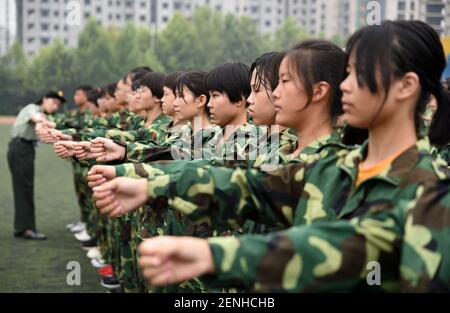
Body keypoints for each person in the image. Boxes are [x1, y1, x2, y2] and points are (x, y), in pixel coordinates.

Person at [93, 21, 450, 292]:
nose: (346, 86)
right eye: (347, 73)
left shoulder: (431, 192)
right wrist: (152, 182)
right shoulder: (335, 167)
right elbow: (248, 182)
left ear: (407, 86)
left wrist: (215, 256)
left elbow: (349, 243)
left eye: (359, 74)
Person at [8, 90, 66, 240]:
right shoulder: (33, 108)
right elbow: (35, 117)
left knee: (24, 188)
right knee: (24, 188)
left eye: (58, 105)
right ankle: (26, 228)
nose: (55, 107)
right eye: (54, 103)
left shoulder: (41, 111)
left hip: (24, 148)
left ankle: (23, 227)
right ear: (44, 99)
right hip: (21, 148)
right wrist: (43, 121)